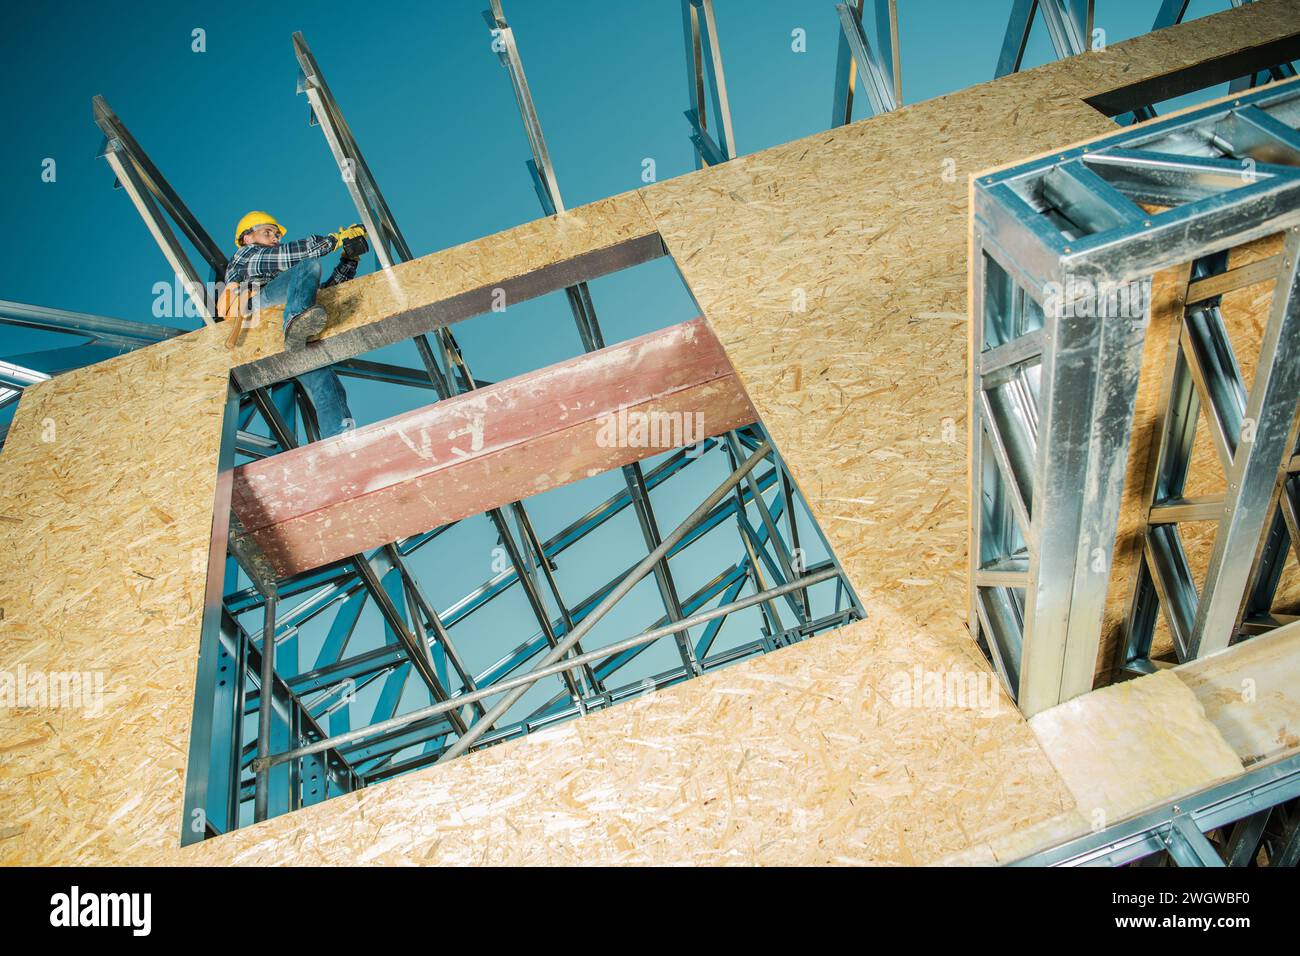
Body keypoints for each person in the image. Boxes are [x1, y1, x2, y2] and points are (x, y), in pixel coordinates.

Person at [221, 211, 368, 439]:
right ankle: (295, 320)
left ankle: (340, 438)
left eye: (277, 234)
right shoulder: (245, 256)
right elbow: (291, 256)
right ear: (247, 237)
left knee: (324, 379)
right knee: (306, 264)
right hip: (252, 312)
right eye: (268, 232)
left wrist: (349, 260)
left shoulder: (291, 282)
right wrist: (336, 240)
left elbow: (325, 295)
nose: (274, 237)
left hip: (285, 333)